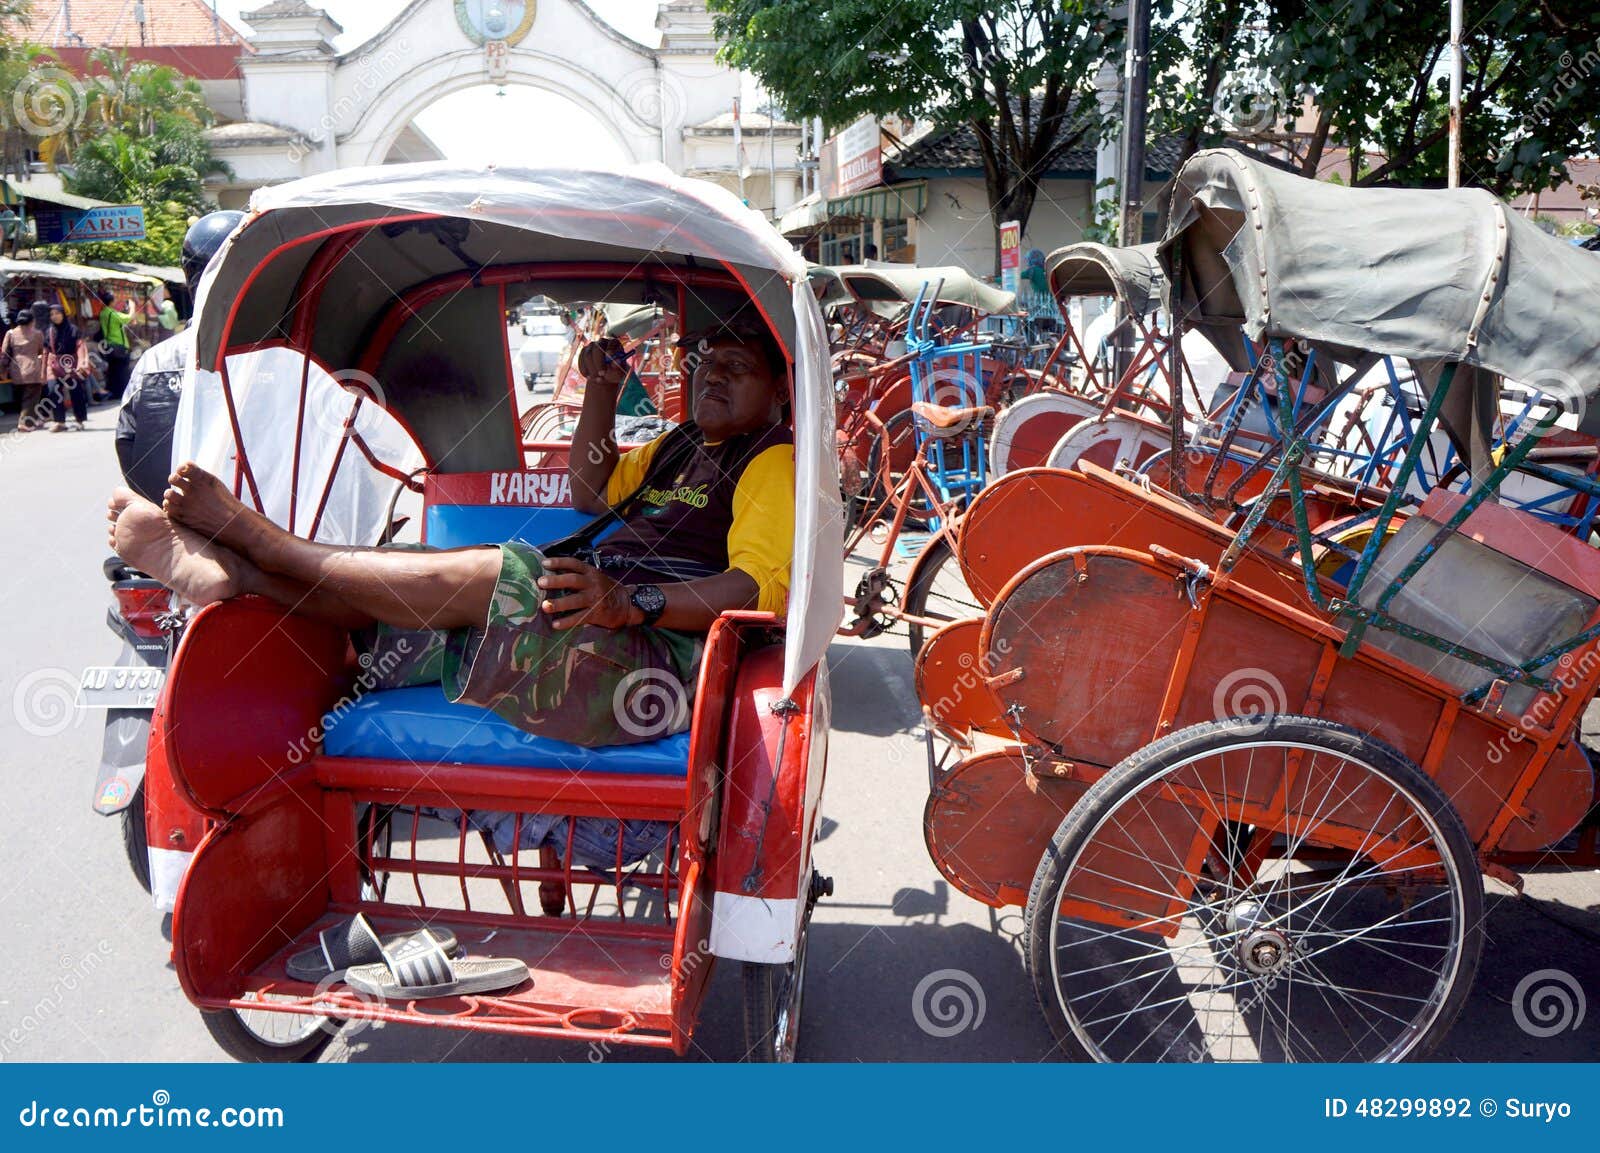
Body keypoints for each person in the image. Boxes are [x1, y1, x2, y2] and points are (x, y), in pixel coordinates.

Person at [106, 318, 796, 750]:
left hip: (660, 667)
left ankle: (265, 542)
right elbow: (590, 489)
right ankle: (247, 577)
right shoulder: (680, 446)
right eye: (707, 361)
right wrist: (602, 394)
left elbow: (751, 588)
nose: (715, 372)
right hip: (594, 625)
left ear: (777, 394)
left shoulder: (770, 457)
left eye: (739, 367)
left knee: (505, 573)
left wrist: (632, 603)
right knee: (399, 580)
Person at [117, 210, 243, 502]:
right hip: (273, 528)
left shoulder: (155, 361)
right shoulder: (288, 354)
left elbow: (128, 441)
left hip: (178, 521)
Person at [1, 304, 49, 432]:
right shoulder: (38, 334)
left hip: (16, 370)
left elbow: (4, 354)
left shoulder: (10, 333)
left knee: (24, 397)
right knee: (31, 397)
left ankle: (35, 420)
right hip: (33, 368)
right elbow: (41, 351)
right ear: (32, 321)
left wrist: (3, 371)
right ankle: (24, 423)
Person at [44, 302, 89, 432]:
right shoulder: (49, 331)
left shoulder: (73, 330)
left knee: (76, 392)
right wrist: (43, 371)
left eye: (57, 313)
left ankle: (80, 421)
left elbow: (81, 347)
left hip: (72, 366)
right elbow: (46, 351)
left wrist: (81, 364)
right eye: (52, 314)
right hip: (54, 366)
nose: (54, 316)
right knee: (53, 391)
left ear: (63, 314)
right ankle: (60, 422)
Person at [95, 288, 136, 402]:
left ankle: (114, 393)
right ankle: (123, 393)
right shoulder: (112, 313)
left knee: (113, 371)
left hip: (109, 346)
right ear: (111, 302)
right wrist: (132, 306)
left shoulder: (103, 313)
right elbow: (130, 318)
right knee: (122, 371)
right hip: (119, 345)